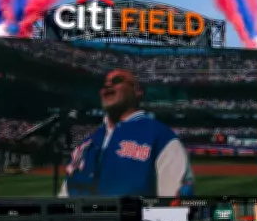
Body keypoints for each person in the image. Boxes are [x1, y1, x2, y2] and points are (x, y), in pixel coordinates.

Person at [59, 69, 194, 197]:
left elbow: (174, 207)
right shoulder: (86, 144)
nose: (107, 85)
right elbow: (65, 195)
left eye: (117, 80)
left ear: (138, 91)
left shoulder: (161, 137)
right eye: (104, 84)